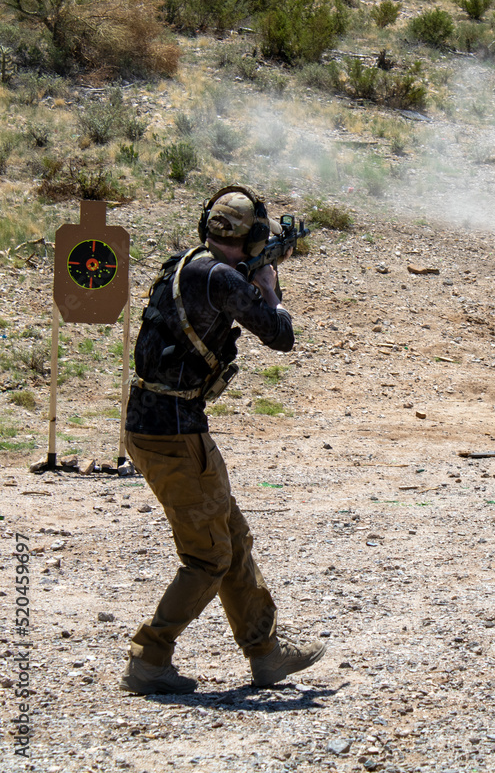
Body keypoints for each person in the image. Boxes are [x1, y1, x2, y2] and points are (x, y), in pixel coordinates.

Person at [120, 185, 325, 695]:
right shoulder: (223, 278)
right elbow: (281, 336)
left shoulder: (187, 262)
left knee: (231, 540)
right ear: (253, 236)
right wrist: (270, 289)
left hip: (165, 426)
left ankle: (266, 654)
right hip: (174, 434)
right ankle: (150, 657)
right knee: (209, 557)